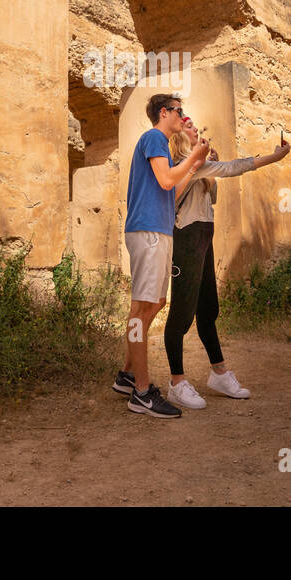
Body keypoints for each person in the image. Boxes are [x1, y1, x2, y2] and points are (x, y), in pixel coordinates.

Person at [163, 116, 290, 409]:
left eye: (197, 125)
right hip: (186, 239)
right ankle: (177, 383)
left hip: (203, 238)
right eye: (191, 127)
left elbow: (213, 197)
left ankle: (219, 373)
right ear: (181, 137)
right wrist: (275, 156)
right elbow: (236, 168)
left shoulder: (199, 166)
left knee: (208, 310)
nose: (197, 129)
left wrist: (208, 168)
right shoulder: (184, 165)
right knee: (181, 316)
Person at [112, 93, 209, 419]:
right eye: (179, 112)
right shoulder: (154, 137)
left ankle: (127, 374)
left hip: (159, 230)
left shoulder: (162, 147)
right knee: (141, 309)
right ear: (164, 113)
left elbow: (172, 189)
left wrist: (194, 163)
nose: (183, 118)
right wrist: (194, 153)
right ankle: (142, 391)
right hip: (148, 231)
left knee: (154, 304)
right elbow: (167, 178)